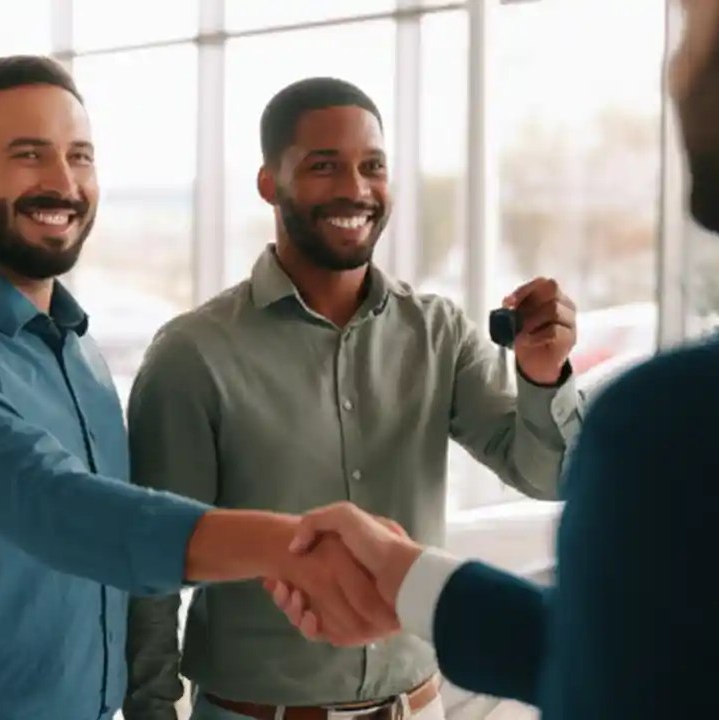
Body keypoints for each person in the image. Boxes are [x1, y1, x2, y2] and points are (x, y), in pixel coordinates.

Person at [268, 0, 719, 717]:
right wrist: (417, 586)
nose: (675, 70)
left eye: (689, 26)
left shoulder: (701, 423)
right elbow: (700, 653)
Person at [0, 56, 398, 720]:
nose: (63, 183)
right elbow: (58, 508)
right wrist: (290, 546)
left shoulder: (77, 350)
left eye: (80, 156)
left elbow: (119, 582)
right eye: (28, 155)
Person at [123, 77, 583, 720]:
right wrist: (150, 711)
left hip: (417, 706)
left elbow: (547, 474)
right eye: (323, 166)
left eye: (372, 166)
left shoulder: (438, 333)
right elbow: (153, 566)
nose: (355, 188)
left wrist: (542, 377)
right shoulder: (192, 356)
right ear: (268, 184)